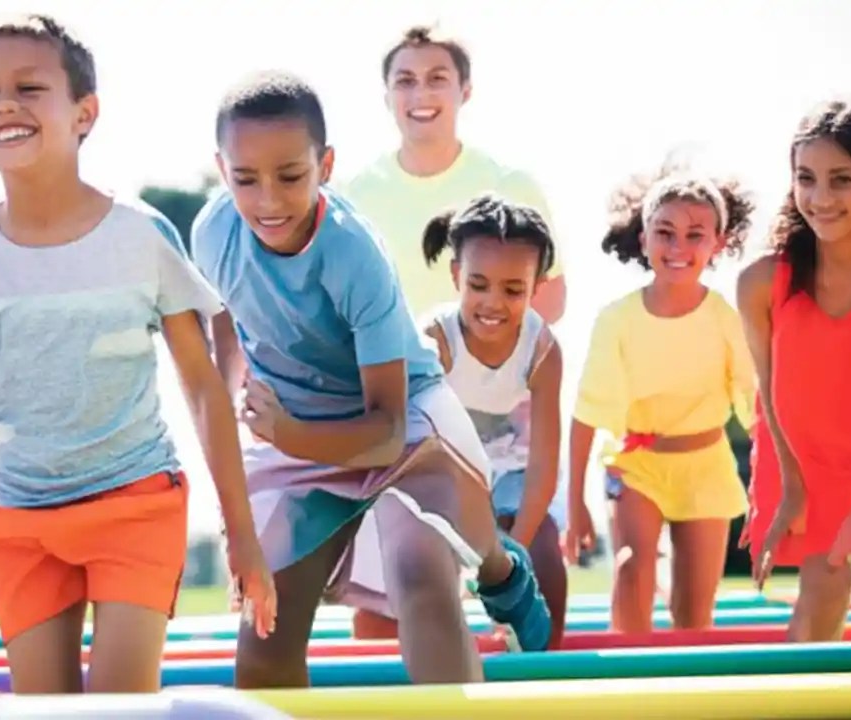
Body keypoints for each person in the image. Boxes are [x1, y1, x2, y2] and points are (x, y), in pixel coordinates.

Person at [0, 14, 275, 695]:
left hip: (135, 501)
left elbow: (205, 389)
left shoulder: (139, 237)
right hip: (22, 518)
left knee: (121, 710)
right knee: (45, 712)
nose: (4, 104)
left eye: (29, 87)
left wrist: (241, 532)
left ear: (84, 112)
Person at [191, 70, 551, 688]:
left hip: (405, 425)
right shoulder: (212, 234)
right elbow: (229, 345)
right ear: (222, 170)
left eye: (291, 176)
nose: (269, 200)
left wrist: (289, 433)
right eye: (246, 179)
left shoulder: (354, 254)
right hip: (296, 434)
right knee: (265, 634)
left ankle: (499, 567)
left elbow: (385, 432)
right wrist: (245, 477)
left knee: (421, 578)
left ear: (325, 165)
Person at [342, 194, 570, 648]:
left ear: (537, 286)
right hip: (437, 466)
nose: (493, 303)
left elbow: (543, 465)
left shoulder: (542, 350)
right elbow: (410, 443)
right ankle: (385, 664)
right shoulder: (435, 340)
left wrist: (512, 551)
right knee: (395, 568)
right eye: (478, 285)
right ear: (455, 276)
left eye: (513, 290)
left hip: (511, 472)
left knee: (542, 552)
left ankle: (541, 668)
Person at [564, 164, 757, 634]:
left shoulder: (725, 318)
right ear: (644, 238)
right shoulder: (617, 319)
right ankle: (622, 694)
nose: (678, 248)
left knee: (693, 616)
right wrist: (575, 505)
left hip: (705, 465)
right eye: (665, 233)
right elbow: (587, 414)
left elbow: (756, 410)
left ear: (718, 243)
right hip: (635, 463)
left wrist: (773, 487)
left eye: (695, 235)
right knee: (632, 568)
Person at [741, 98, 851, 642]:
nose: (820, 198)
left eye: (841, 181)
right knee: (819, 598)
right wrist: (790, 487)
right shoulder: (763, 283)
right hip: (808, 464)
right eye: (806, 179)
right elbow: (768, 393)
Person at [339, 24, 566, 324]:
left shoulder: (510, 187)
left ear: (465, 91)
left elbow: (550, 300)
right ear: (387, 97)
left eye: (437, 79)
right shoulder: (352, 197)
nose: (421, 94)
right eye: (405, 81)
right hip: (387, 370)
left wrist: (482, 359)